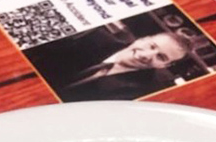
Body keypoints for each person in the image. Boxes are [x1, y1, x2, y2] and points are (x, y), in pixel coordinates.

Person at [62, 31, 194, 102]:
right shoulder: (94, 38)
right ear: (141, 39)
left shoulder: (146, 92)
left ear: (164, 65)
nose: (146, 55)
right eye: (152, 46)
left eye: (161, 57)